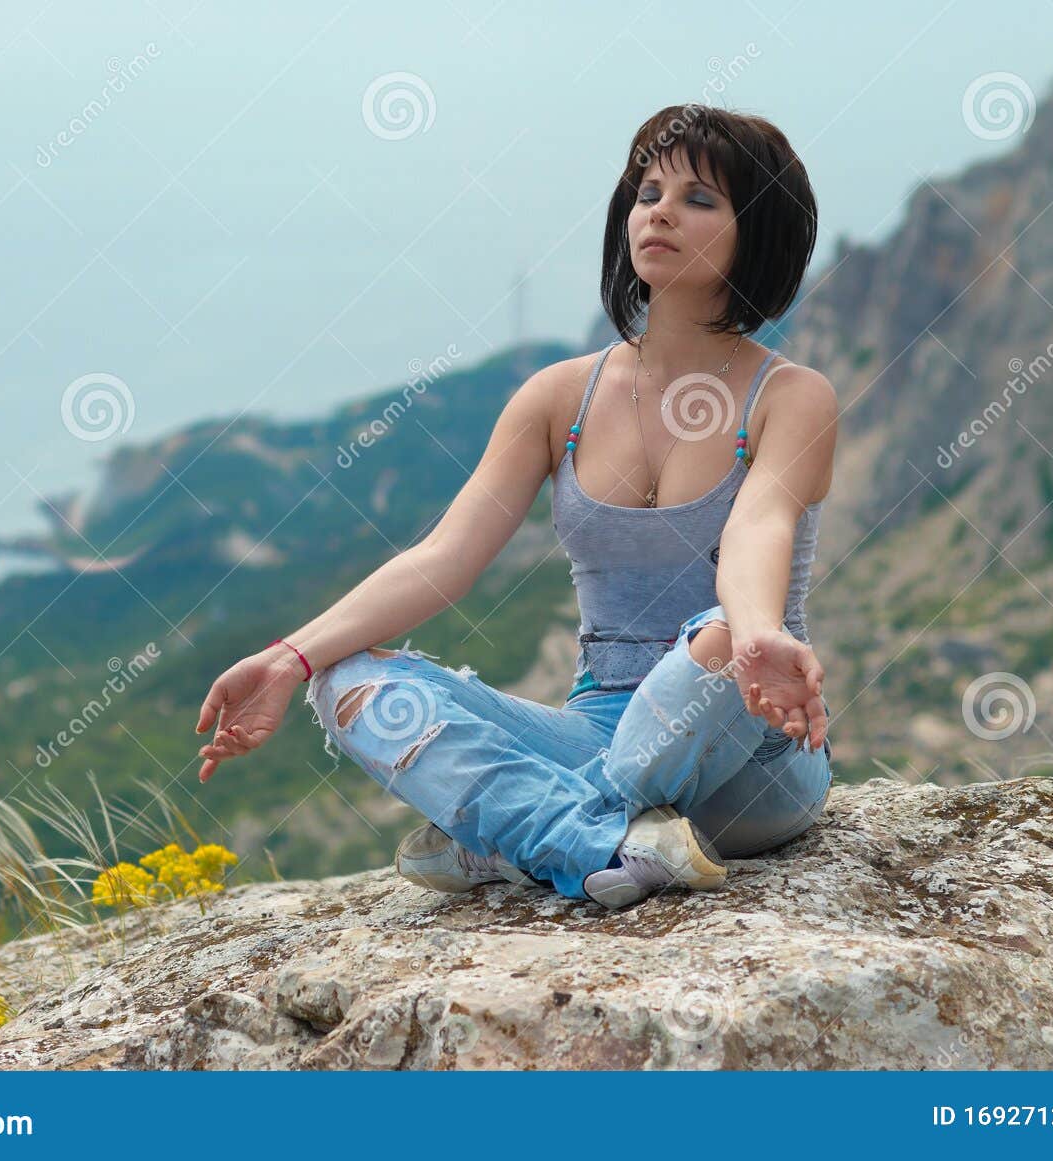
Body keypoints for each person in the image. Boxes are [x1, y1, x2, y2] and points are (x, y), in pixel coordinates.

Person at [193, 103, 837, 910]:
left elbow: (759, 527)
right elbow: (443, 557)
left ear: (759, 233)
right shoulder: (558, 397)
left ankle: (515, 831)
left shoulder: (793, 397)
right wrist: (289, 658)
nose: (660, 211)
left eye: (700, 199)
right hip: (595, 728)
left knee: (711, 640)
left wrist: (757, 633)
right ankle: (597, 843)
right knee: (346, 679)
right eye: (647, 192)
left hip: (747, 751)